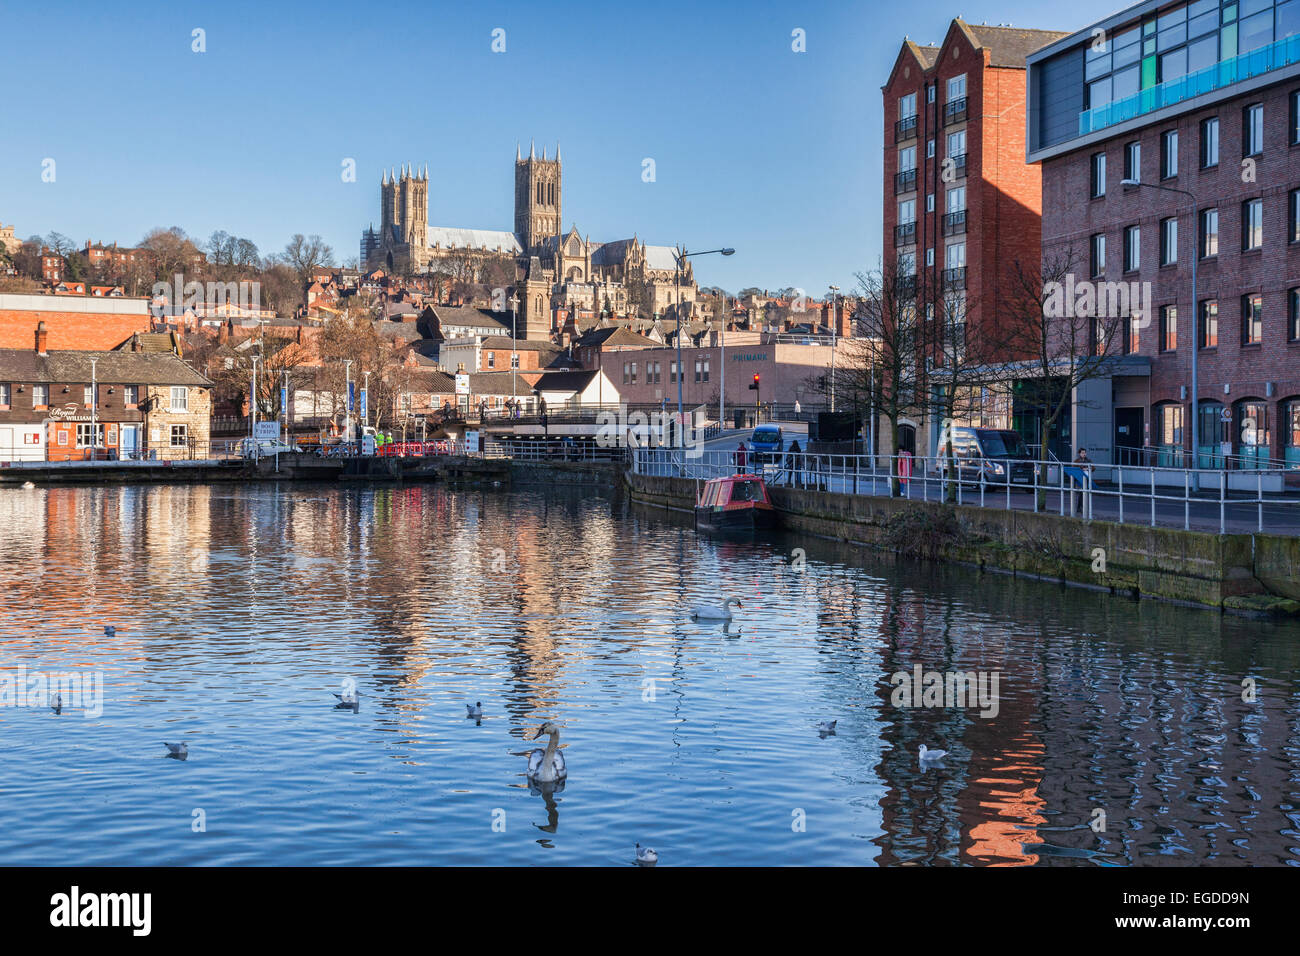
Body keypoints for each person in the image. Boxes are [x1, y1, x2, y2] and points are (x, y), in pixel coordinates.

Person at [1072, 447, 1093, 515]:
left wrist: (1087, 468)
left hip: (1086, 479)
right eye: (1082, 453)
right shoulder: (1077, 461)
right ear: (1079, 453)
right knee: (1079, 493)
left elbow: (1093, 467)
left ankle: (1080, 508)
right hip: (1079, 479)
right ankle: (1079, 508)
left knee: (1083, 494)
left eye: (1085, 453)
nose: (1084, 454)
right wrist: (1082, 469)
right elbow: (1074, 468)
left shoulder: (1088, 460)